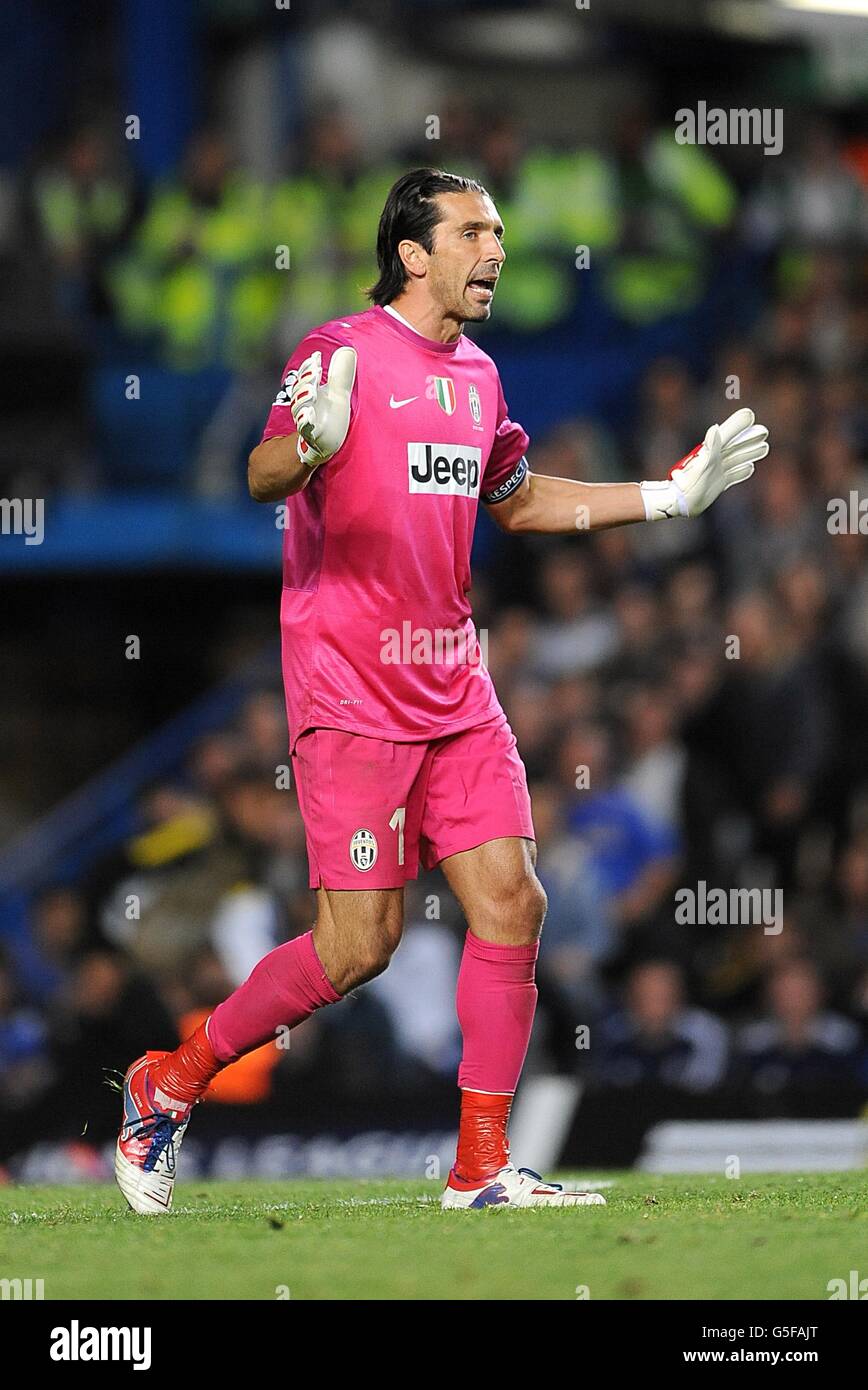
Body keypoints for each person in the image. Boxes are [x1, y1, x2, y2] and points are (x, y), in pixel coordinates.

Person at [114, 168, 769, 1213]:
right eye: (472, 231)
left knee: (513, 902)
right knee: (356, 946)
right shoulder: (339, 352)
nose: (495, 250)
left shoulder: (480, 377)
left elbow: (517, 498)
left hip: (456, 689)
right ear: (414, 253)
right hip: (353, 697)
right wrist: (310, 443)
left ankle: (479, 1167)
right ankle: (171, 1080)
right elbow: (260, 473)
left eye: (499, 231)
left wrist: (666, 494)